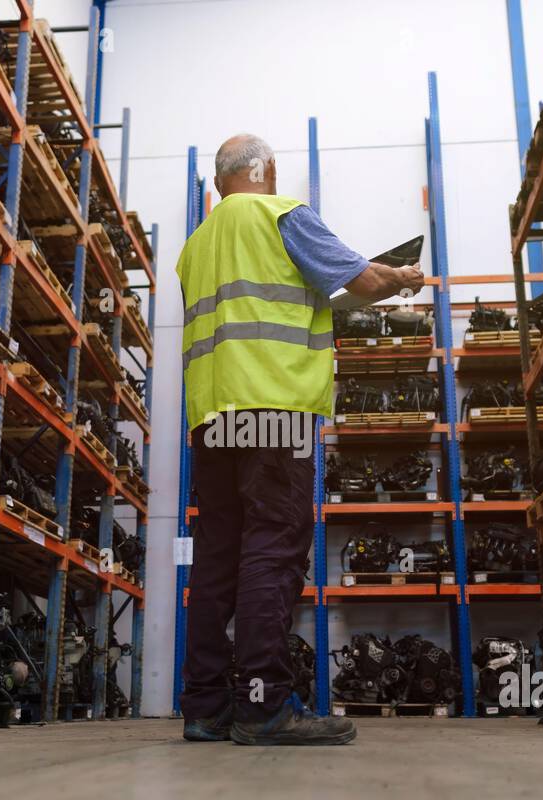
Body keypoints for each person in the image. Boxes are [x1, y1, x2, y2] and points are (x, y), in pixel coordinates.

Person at [176, 133, 425, 745]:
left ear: (217, 183)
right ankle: (263, 706)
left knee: (216, 555)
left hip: (213, 416)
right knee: (273, 546)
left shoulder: (195, 246)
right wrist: (400, 276)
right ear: (266, 170)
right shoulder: (282, 214)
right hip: (275, 407)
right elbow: (362, 281)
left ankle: (205, 709)